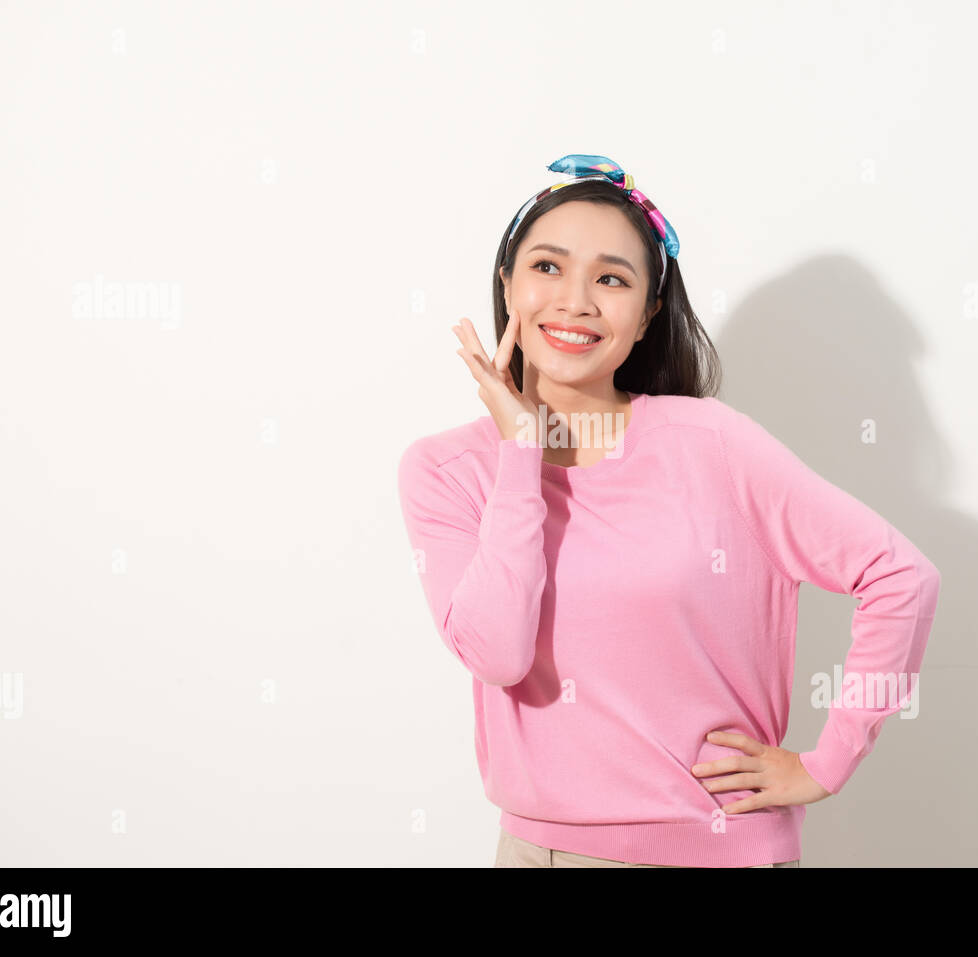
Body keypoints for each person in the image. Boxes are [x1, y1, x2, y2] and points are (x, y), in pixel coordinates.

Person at [397, 154, 941, 868]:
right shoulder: (444, 470)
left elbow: (900, 574)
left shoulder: (711, 443)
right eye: (548, 267)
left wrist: (827, 760)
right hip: (540, 853)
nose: (576, 301)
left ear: (650, 311)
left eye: (612, 279)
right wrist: (521, 447)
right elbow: (499, 653)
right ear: (507, 282)